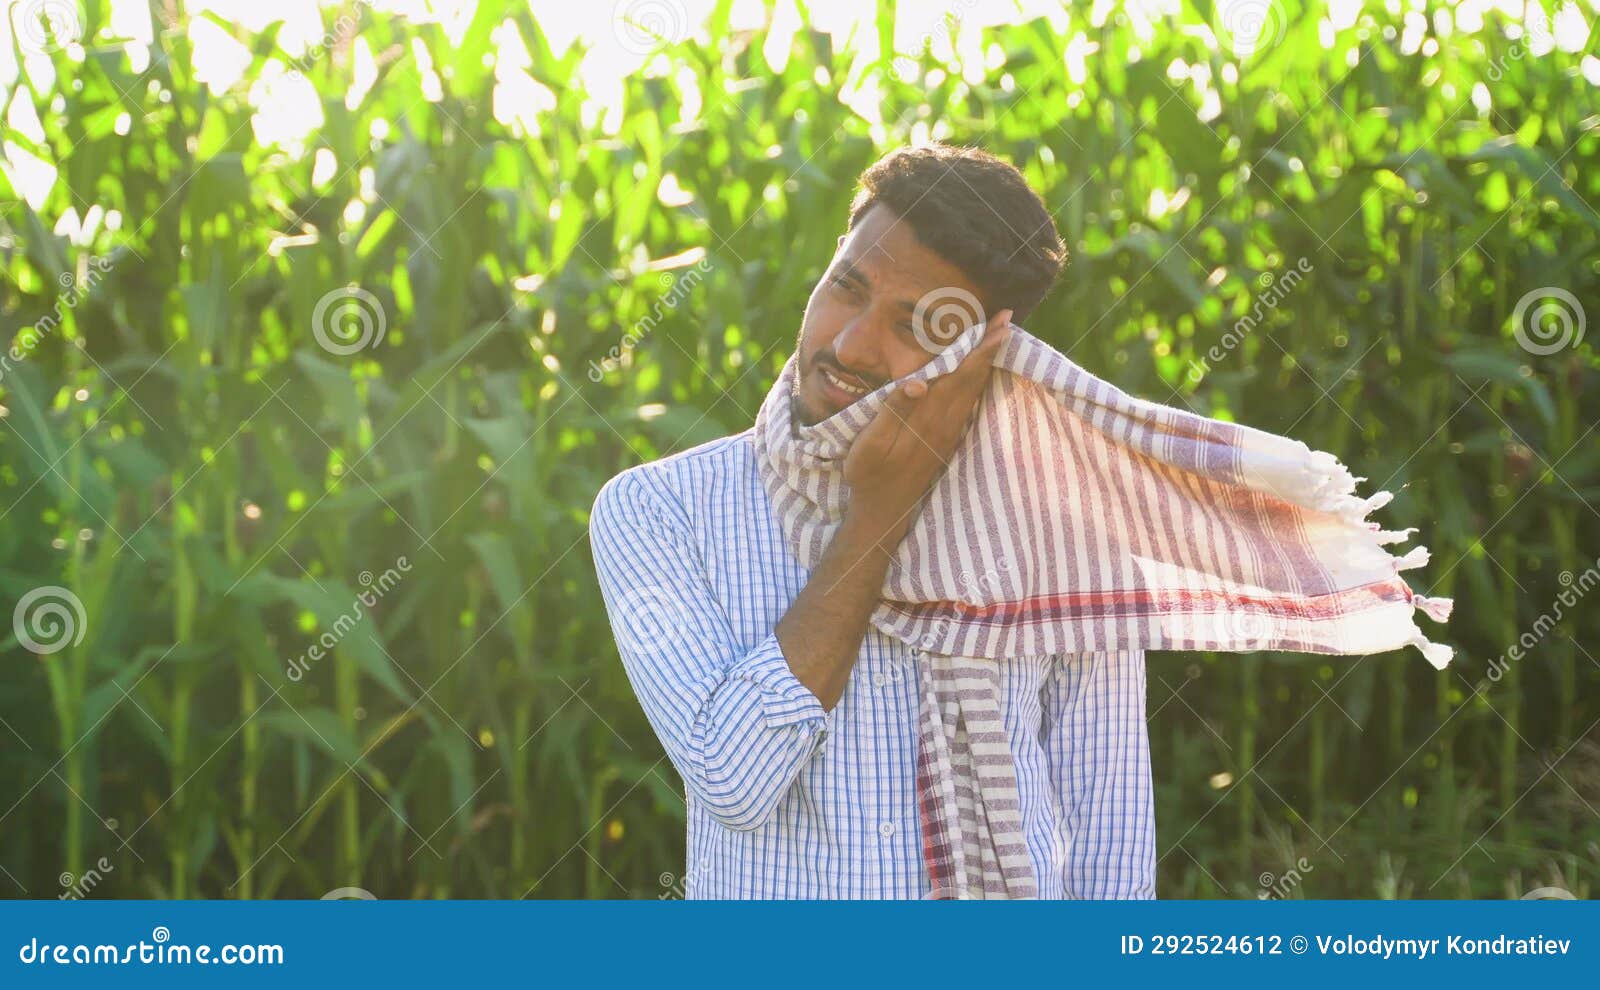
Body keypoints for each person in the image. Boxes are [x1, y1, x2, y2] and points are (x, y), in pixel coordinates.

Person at [590, 144, 1154, 898]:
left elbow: (1106, 839)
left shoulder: (1065, 528)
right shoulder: (658, 511)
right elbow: (734, 779)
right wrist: (878, 518)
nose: (851, 343)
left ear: (988, 351)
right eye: (846, 288)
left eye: (913, 324)